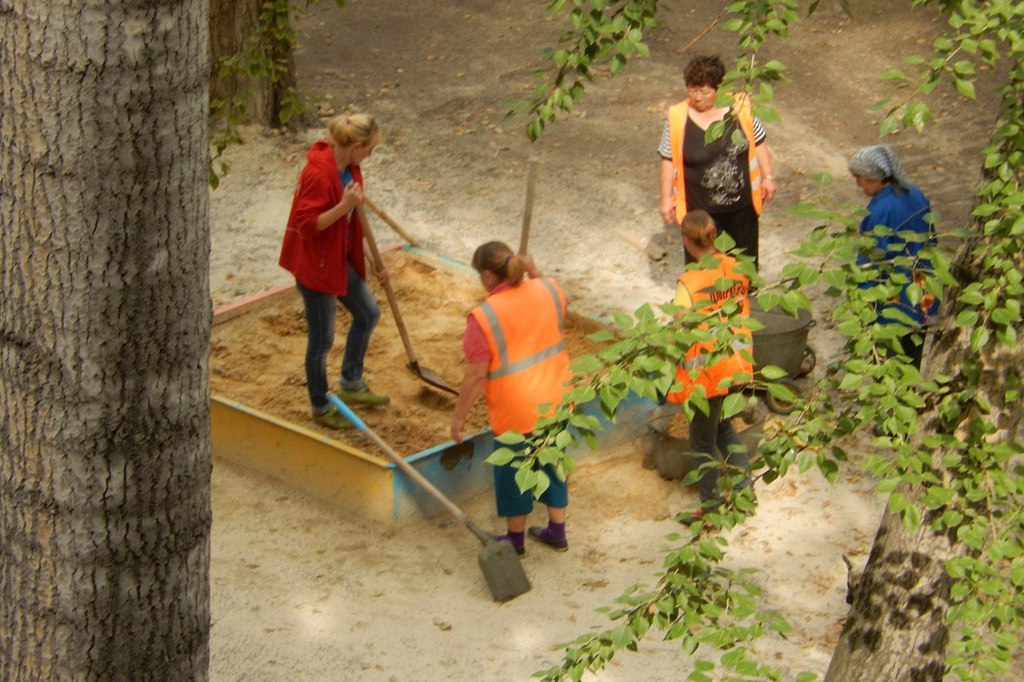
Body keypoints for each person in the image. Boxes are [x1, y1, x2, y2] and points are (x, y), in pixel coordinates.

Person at [450, 242, 572, 556]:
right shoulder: (548, 289)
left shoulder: (485, 315)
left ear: (489, 276)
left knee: (515, 475)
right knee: (552, 464)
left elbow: (476, 374)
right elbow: (558, 299)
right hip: (556, 400)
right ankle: (557, 530)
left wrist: (459, 416)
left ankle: (515, 540)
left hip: (517, 411)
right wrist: (533, 271)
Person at [279, 113, 390, 430]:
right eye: (369, 149)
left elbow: (355, 221)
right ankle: (320, 406)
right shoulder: (318, 174)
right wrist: (343, 206)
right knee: (321, 340)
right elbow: (308, 225)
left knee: (368, 314)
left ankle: (351, 383)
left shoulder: (351, 169)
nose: (369, 155)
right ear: (356, 145)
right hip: (315, 266)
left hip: (338, 258)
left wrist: (370, 257)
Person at [666, 210, 754, 524]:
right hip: (736, 361)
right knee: (724, 427)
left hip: (706, 374)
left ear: (688, 242)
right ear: (713, 234)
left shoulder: (689, 282)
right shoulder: (736, 267)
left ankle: (712, 506)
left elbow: (679, 329)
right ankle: (744, 490)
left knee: (702, 442)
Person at [658, 55, 777, 270]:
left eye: (705, 91)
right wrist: (666, 198)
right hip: (700, 213)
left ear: (719, 88)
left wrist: (768, 177)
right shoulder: (678, 117)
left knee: (743, 267)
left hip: (742, 209)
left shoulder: (740, 107)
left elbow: (758, 141)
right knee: (703, 268)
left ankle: (743, 301)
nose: (698, 97)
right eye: (693, 90)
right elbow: (667, 158)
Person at [848, 144, 939, 369]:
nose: (858, 184)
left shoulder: (879, 211)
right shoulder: (915, 194)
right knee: (912, 359)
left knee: (887, 365)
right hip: (922, 293)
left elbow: (871, 262)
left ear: (875, 177)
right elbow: (932, 239)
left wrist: (862, 303)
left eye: (859, 177)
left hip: (892, 302)